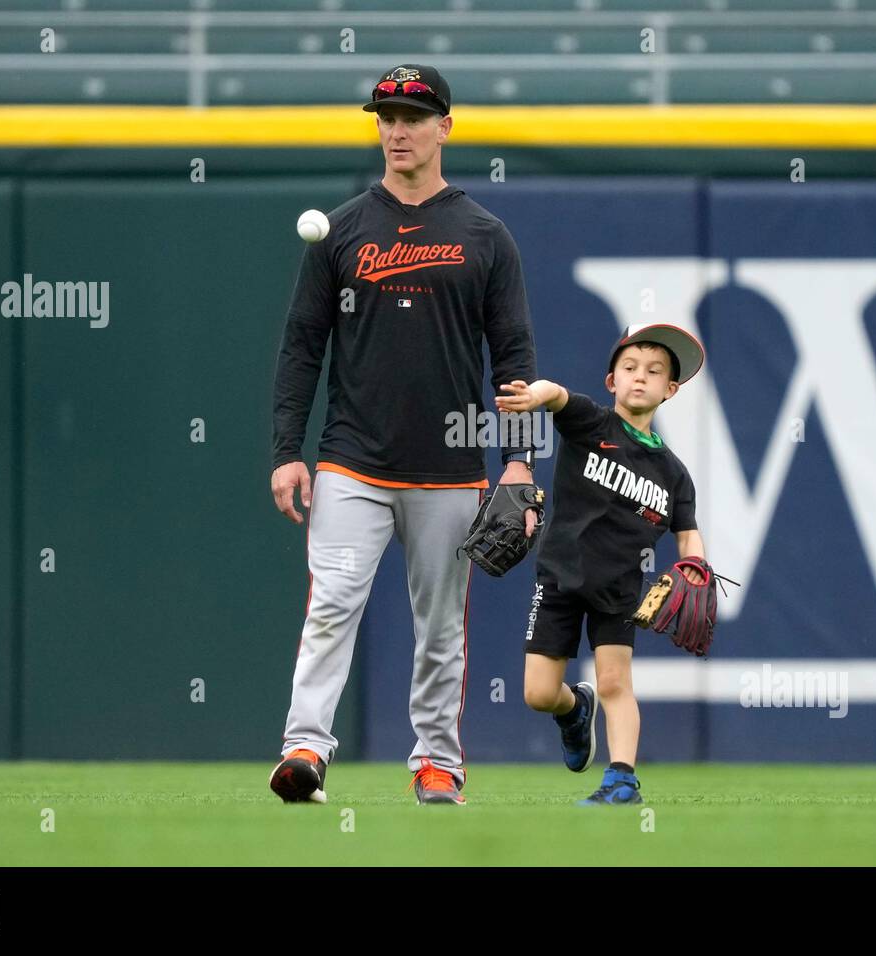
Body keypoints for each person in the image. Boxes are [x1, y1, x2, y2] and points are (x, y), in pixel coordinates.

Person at [268, 64, 538, 806]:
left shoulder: (485, 235)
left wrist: (520, 461)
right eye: (386, 116)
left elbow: (514, 357)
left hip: (450, 467)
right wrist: (289, 452)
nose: (397, 130)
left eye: (413, 116)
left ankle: (436, 762)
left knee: (441, 630)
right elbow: (302, 346)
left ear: (445, 127)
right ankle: (304, 751)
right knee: (332, 605)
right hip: (351, 461)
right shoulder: (343, 231)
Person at [495, 323, 709, 805]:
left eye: (655, 372)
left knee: (616, 681)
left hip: (618, 589)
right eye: (629, 368)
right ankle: (575, 710)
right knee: (539, 694)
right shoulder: (592, 423)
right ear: (611, 380)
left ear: (670, 390)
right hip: (559, 578)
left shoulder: (674, 474)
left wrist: (695, 567)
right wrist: (536, 393)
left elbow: (687, 531)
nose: (641, 378)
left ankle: (622, 778)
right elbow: (558, 396)